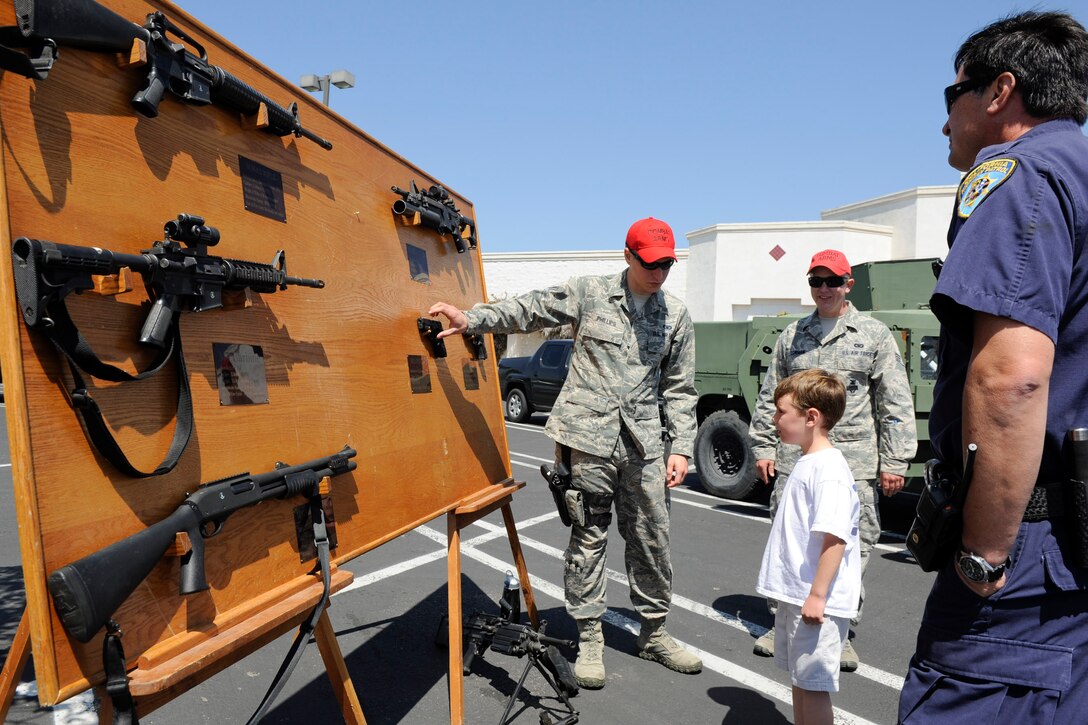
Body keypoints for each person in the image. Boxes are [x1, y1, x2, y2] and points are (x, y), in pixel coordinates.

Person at [899, 12, 1088, 723]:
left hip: (1028, 560)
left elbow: (1011, 377)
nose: (946, 123)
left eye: (953, 98)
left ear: (1001, 91)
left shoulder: (1018, 177)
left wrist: (982, 557)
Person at [428, 217, 702, 689]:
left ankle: (654, 633)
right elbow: (530, 309)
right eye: (651, 263)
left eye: (667, 265)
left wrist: (681, 448)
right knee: (588, 538)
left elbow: (679, 389)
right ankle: (591, 637)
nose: (659, 273)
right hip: (587, 442)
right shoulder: (589, 293)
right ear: (628, 256)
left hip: (644, 447)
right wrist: (473, 318)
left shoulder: (674, 315)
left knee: (652, 541)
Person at [748, 249, 917, 671]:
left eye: (831, 281)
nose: (823, 289)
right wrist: (764, 445)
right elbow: (773, 393)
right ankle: (783, 620)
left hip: (853, 461)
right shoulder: (793, 335)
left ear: (848, 284)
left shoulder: (874, 335)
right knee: (792, 542)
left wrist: (895, 459)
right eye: (815, 281)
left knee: (849, 546)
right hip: (796, 461)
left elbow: (894, 399)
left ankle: (839, 629)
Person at [756, 369, 861, 725]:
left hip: (817, 601)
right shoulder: (809, 460)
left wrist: (817, 595)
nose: (775, 420)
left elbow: (835, 536)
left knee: (814, 685)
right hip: (799, 595)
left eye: (782, 412)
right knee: (801, 681)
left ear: (811, 417)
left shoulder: (829, 469)